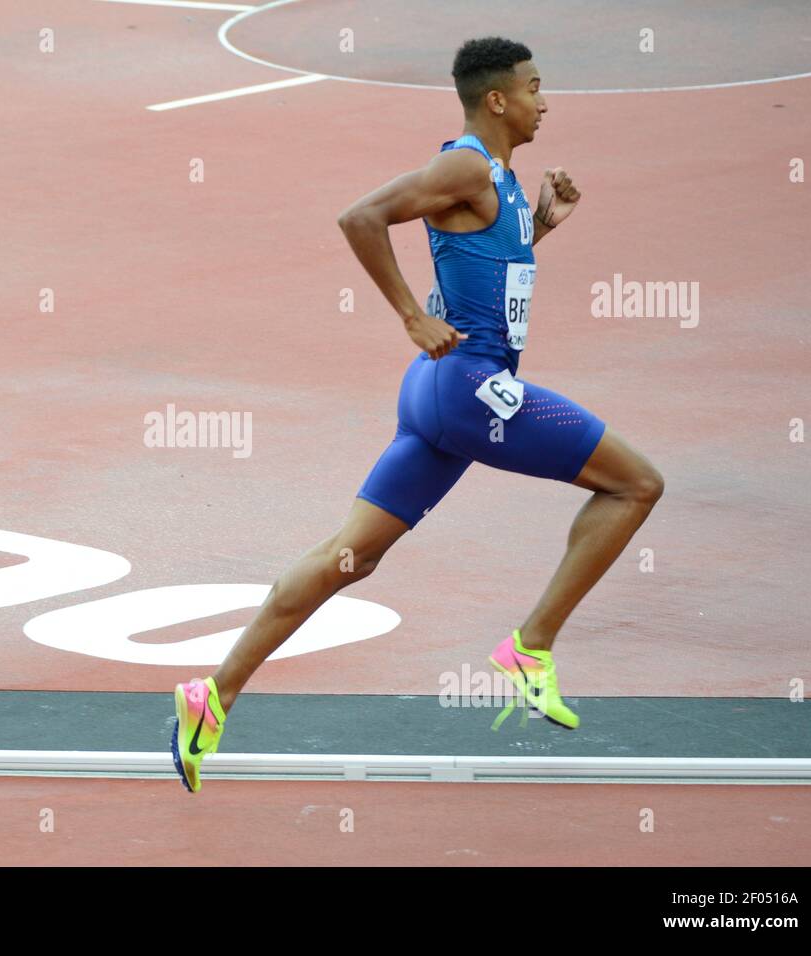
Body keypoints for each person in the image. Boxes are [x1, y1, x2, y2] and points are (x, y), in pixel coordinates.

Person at [172, 37, 664, 793]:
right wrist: (408, 313)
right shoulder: (466, 163)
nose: (546, 101)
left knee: (352, 555)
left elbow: (486, 269)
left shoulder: (494, 177)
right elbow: (361, 216)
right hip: (469, 389)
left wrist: (538, 227)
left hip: (435, 396)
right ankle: (531, 645)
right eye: (535, 87)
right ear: (497, 99)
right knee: (636, 485)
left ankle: (215, 693)